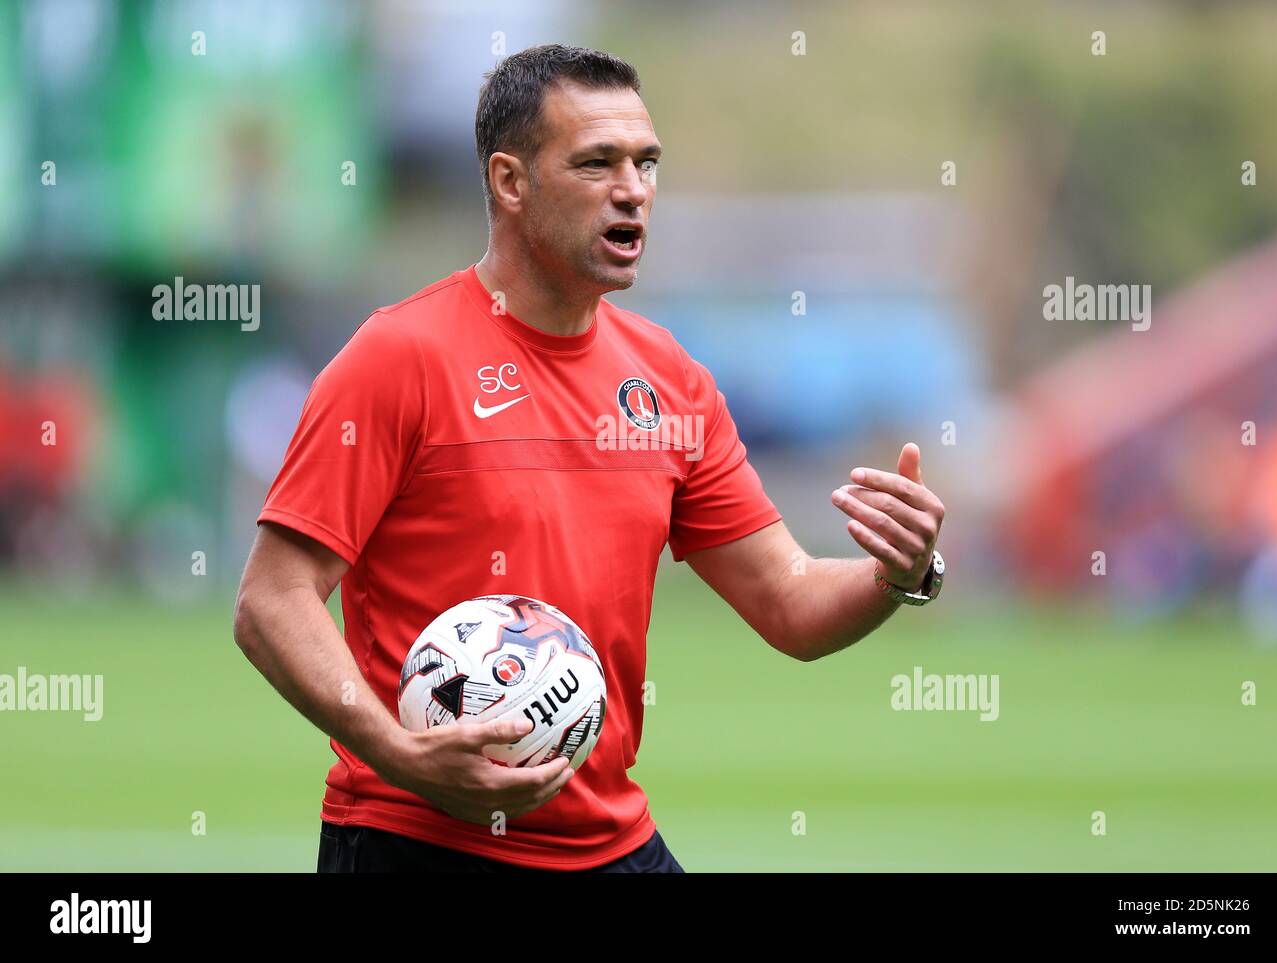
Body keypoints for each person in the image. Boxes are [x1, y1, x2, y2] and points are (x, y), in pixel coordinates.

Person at [233, 44, 946, 873]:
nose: (633, 190)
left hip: (612, 845)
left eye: (646, 163)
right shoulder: (399, 357)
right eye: (596, 162)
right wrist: (399, 751)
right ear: (509, 182)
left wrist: (896, 576)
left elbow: (787, 601)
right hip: (417, 839)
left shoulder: (670, 381)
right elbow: (272, 602)